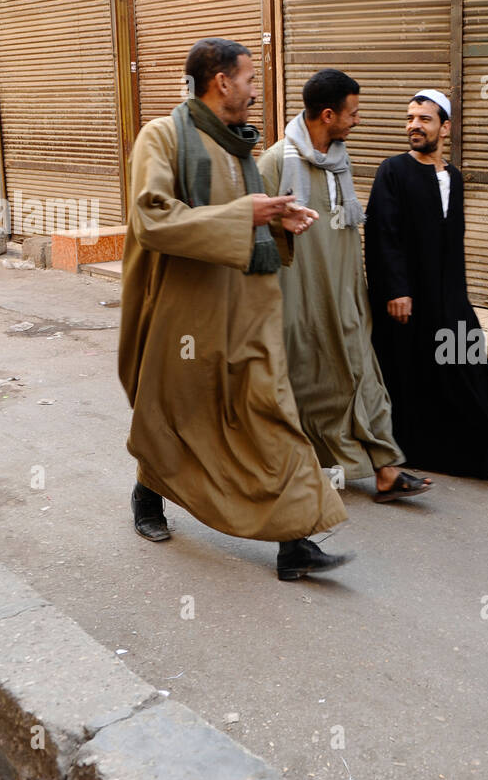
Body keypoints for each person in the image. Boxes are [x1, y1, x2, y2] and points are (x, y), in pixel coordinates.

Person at [119, 38, 353, 581]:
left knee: (273, 415)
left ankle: (294, 543)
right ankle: (148, 494)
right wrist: (243, 215)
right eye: (249, 78)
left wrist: (274, 221)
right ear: (222, 82)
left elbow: (240, 218)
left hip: (251, 307)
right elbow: (152, 218)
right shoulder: (161, 137)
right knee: (178, 415)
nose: (255, 90)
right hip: (188, 314)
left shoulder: (239, 145)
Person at [258, 69, 433, 502]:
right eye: (352, 114)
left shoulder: (340, 159)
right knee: (320, 387)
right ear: (328, 114)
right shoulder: (277, 162)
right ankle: (318, 470)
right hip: (300, 300)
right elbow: (252, 236)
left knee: (364, 373)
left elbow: (347, 228)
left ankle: (387, 468)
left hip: (345, 292)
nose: (357, 121)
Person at [364, 90, 488, 481]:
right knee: (408, 378)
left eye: (424, 119)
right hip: (405, 300)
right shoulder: (392, 170)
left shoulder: (454, 178)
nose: (414, 125)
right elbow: (383, 235)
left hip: (448, 298)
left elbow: (452, 243)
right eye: (410, 118)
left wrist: (459, 299)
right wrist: (395, 289)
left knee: (465, 364)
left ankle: (476, 455)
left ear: (445, 127)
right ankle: (411, 453)